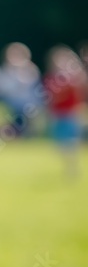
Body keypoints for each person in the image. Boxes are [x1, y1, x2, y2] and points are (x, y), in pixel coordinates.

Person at [42, 45, 87, 179]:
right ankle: (69, 167)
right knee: (61, 144)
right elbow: (51, 98)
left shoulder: (74, 79)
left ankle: (72, 168)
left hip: (70, 113)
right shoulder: (51, 78)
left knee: (70, 142)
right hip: (58, 115)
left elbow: (80, 92)